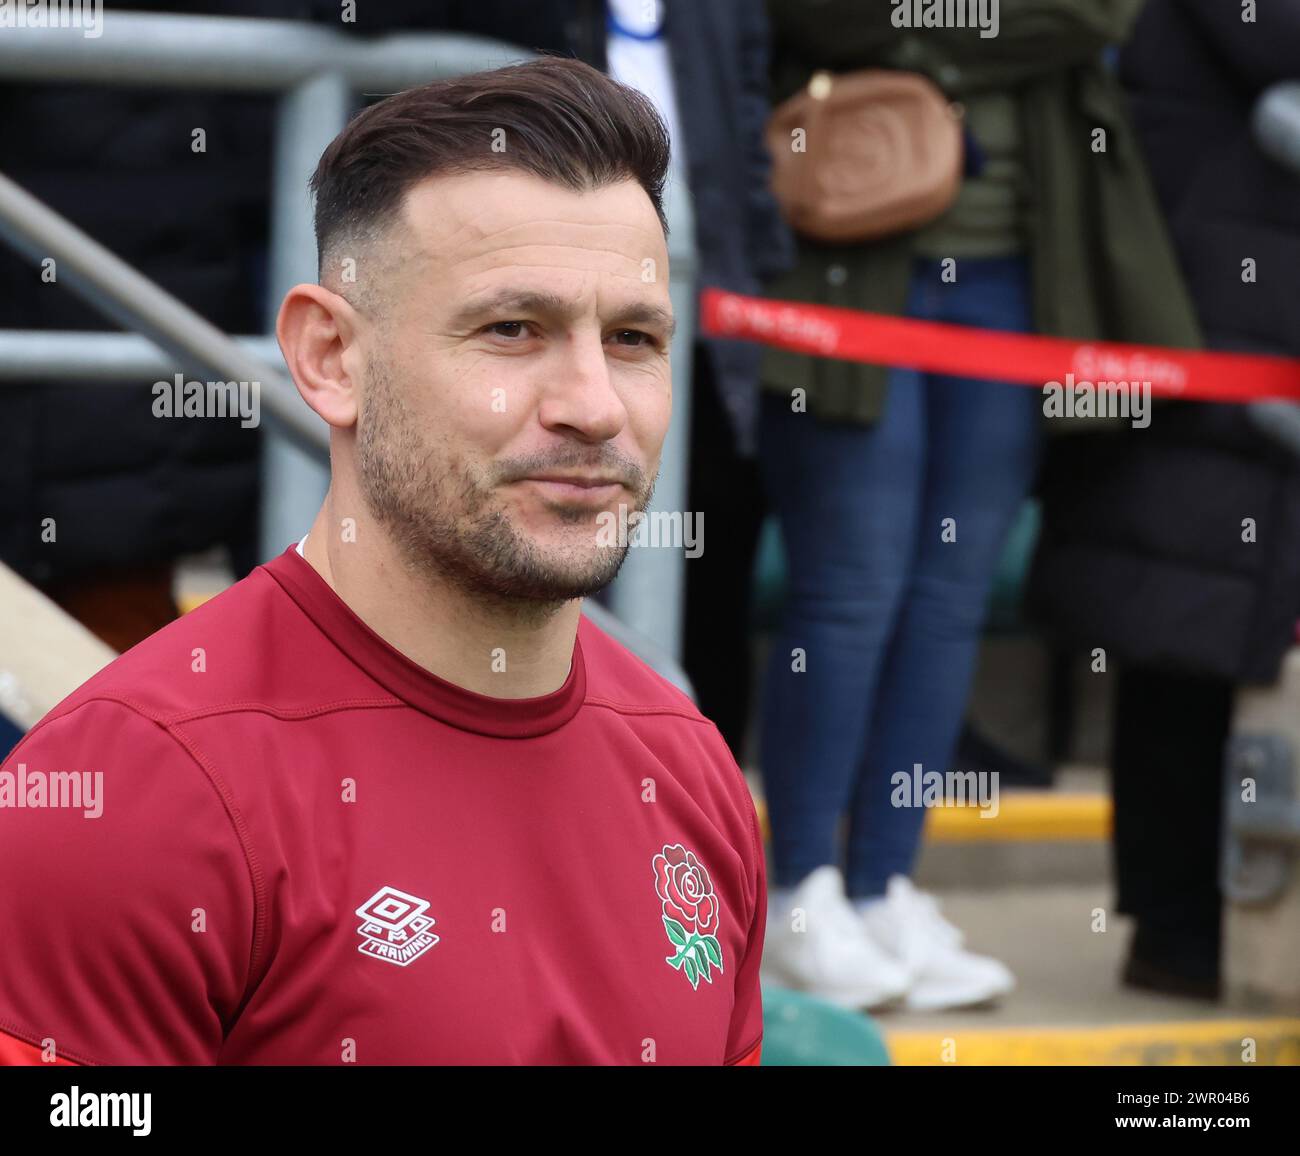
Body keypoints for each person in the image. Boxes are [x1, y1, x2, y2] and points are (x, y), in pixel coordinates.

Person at [0, 57, 766, 1066]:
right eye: (510, 329)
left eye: (631, 338)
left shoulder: (688, 764)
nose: (594, 403)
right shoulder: (132, 791)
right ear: (328, 358)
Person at [756, 0, 1201, 1011]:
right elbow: (823, 18)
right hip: (845, 256)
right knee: (849, 587)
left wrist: (924, 30)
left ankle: (882, 885)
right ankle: (797, 893)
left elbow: (1093, 13)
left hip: (1015, 273)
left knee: (948, 593)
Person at [1029, 0, 1300, 999]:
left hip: (1213, 330)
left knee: (1189, 642)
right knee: (1181, 644)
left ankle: (1183, 928)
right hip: (1209, 340)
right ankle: (1184, 930)